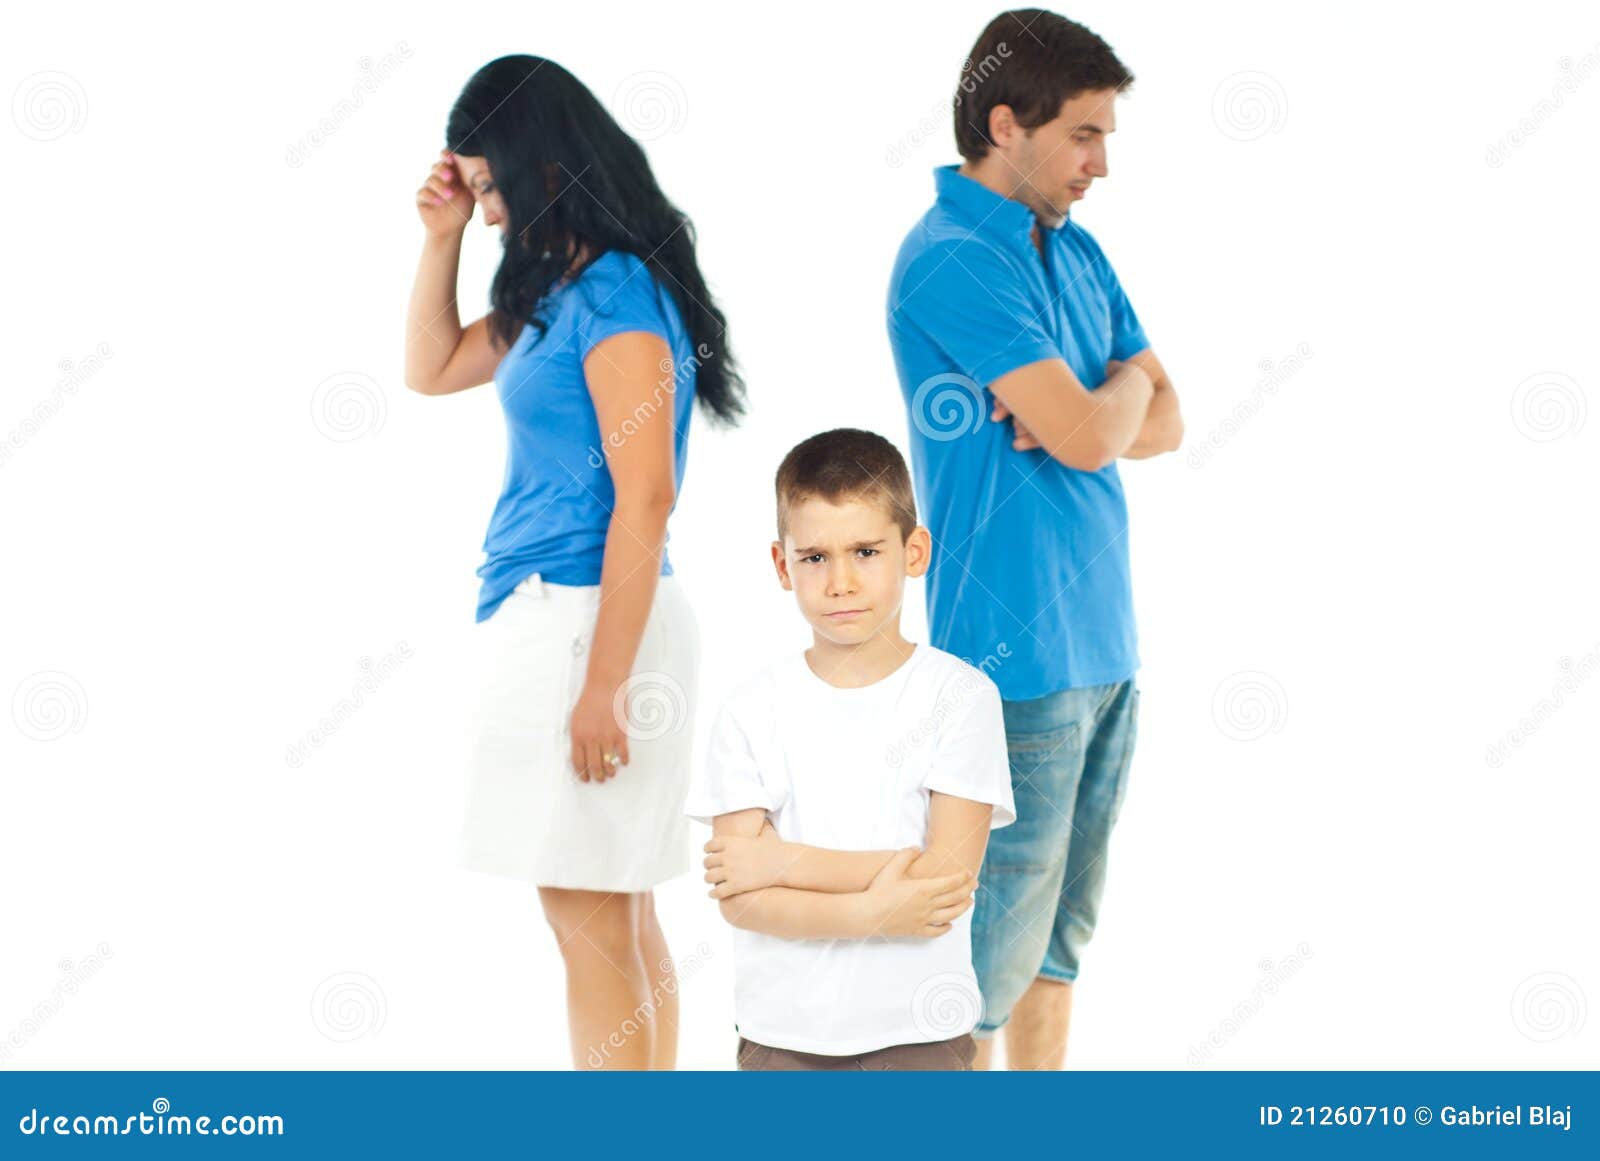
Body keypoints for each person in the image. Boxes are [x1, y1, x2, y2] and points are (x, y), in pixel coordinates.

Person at [403, 54, 745, 1070]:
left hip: (591, 619)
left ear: (543, 166)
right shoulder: (558, 290)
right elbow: (429, 368)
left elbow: (646, 496)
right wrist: (440, 237)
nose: (488, 211)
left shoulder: (613, 296)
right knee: (614, 911)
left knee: (590, 918)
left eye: (492, 186)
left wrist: (603, 683)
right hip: (579, 616)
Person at [885, 10, 1184, 1070]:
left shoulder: (1076, 249)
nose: (1100, 163)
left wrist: (1105, 401)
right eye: (1083, 135)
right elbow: (1096, 434)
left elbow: (1165, 417)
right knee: (980, 971)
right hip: (1014, 661)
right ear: (1005, 125)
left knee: (1057, 949)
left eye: (1106, 136)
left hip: (1106, 652)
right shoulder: (951, 258)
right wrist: (1111, 403)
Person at [685, 428, 1016, 1070]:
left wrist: (780, 861)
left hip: (920, 1033)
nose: (840, 581)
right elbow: (741, 895)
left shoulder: (962, 697)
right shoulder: (749, 709)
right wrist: (876, 910)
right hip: (781, 1036)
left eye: (865, 551)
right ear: (782, 566)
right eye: (814, 557)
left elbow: (945, 882)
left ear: (914, 551)